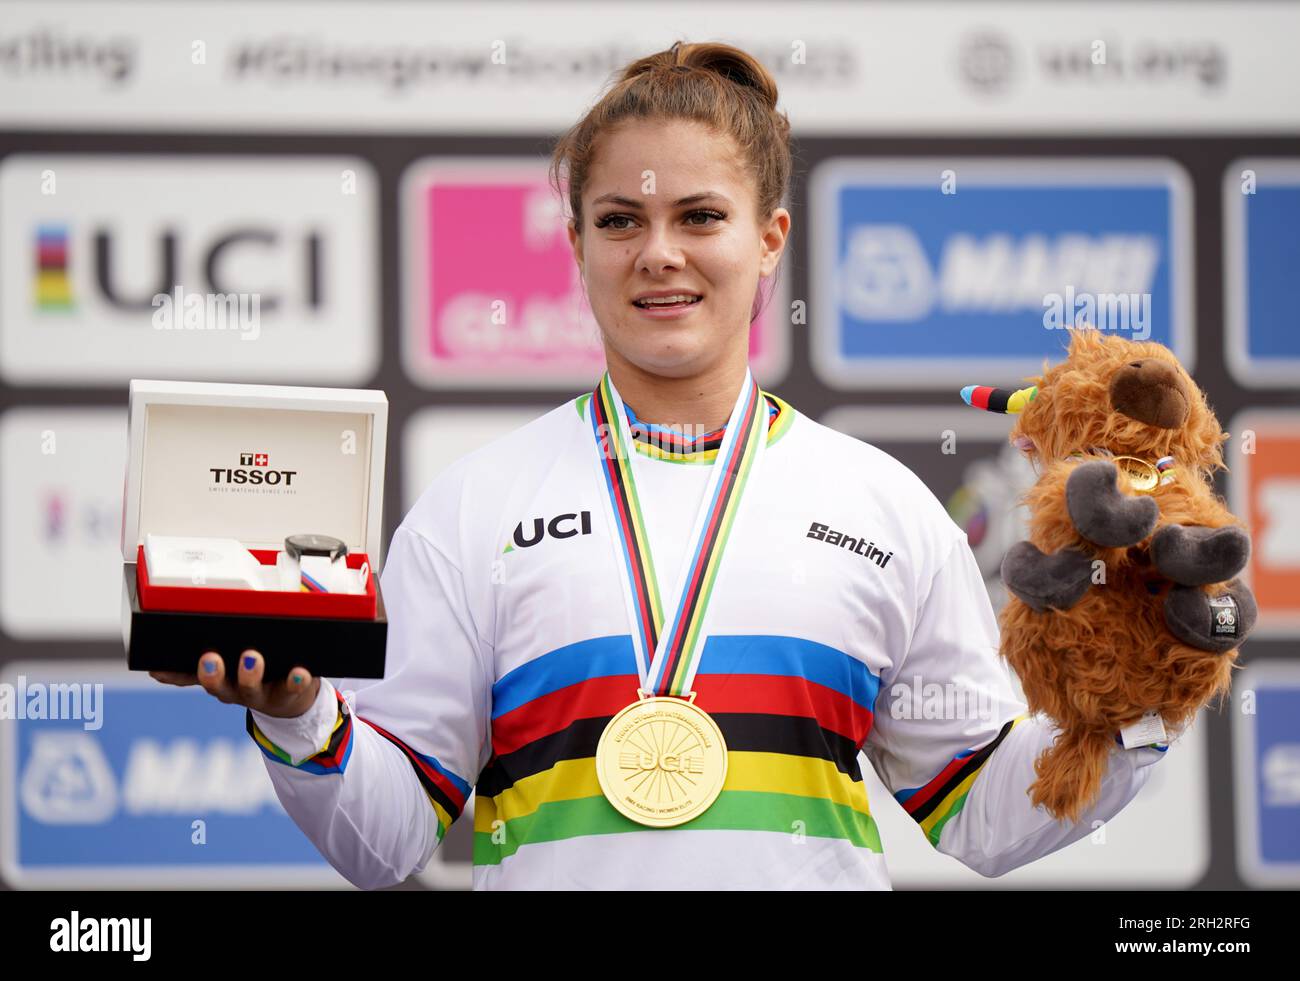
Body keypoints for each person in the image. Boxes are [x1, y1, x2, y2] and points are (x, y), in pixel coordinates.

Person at [150, 40, 1170, 890]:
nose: (658, 254)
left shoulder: (881, 505)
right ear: (577, 243)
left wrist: (1149, 688)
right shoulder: (476, 505)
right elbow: (389, 842)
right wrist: (299, 718)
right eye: (620, 221)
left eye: (700, 216)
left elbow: (981, 816)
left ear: (770, 240)